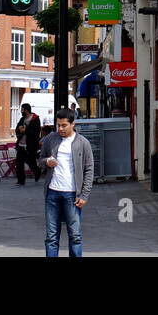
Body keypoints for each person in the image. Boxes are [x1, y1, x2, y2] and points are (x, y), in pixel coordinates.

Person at [37, 109, 93, 257]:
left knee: (75, 236)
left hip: (72, 195)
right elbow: (40, 160)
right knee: (51, 237)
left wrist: (84, 195)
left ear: (72, 124)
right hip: (52, 193)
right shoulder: (50, 139)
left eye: (64, 125)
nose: (60, 129)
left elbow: (89, 170)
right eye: (58, 125)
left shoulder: (83, 143)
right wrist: (46, 162)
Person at [15, 103, 41, 185]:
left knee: (31, 162)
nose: (21, 111)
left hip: (31, 145)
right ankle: (21, 181)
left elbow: (36, 132)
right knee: (19, 163)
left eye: (22, 109)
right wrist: (19, 130)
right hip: (21, 144)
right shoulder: (22, 119)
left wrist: (25, 130)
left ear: (26, 110)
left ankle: (37, 171)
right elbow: (17, 128)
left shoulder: (35, 119)